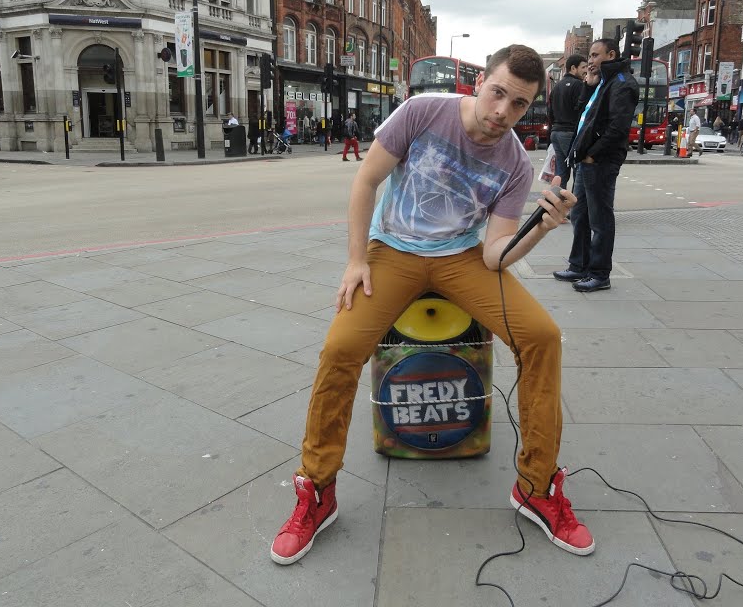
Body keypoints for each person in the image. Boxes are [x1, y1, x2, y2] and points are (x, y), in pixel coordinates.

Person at [269, 44, 588, 566]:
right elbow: (367, 180)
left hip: (463, 258)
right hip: (392, 249)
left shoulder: (513, 163)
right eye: (498, 93)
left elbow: (495, 253)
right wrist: (356, 260)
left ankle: (537, 485)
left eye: (519, 105)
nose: (502, 112)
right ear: (479, 81)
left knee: (542, 336)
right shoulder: (423, 112)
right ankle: (318, 490)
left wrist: (541, 227)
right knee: (340, 350)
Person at [553, 37, 638, 293]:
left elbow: (618, 128)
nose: (590, 61)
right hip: (585, 159)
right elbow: (582, 115)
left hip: (600, 161)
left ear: (611, 55)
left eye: (594, 55)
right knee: (579, 214)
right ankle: (579, 265)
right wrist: (588, 87)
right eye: (589, 56)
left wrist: (593, 154)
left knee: (600, 219)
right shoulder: (601, 83)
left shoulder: (622, 84)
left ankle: (600, 273)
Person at [547, 54, 587, 188]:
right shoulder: (579, 85)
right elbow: (582, 110)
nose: (586, 70)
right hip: (570, 133)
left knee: (561, 173)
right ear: (573, 68)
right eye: (583, 67)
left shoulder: (556, 87)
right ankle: (577, 206)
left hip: (556, 133)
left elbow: (550, 112)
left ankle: (557, 202)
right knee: (579, 172)